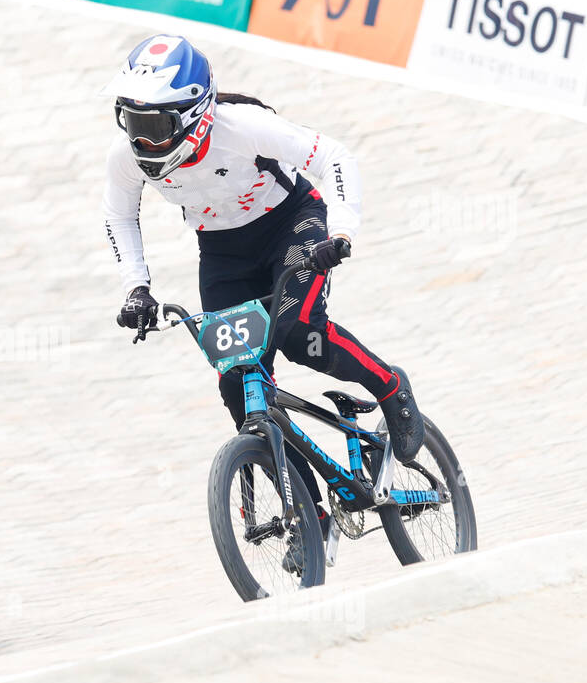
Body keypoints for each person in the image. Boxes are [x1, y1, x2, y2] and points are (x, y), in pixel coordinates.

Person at [101, 35, 424, 553]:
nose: (143, 140)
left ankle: (389, 386)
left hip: (292, 229)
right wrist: (136, 288)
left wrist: (340, 232)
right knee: (238, 382)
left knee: (298, 333)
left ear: (194, 116)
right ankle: (309, 511)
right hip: (224, 253)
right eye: (133, 122)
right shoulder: (127, 157)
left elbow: (333, 156)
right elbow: (119, 215)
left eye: (157, 125)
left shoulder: (244, 129)